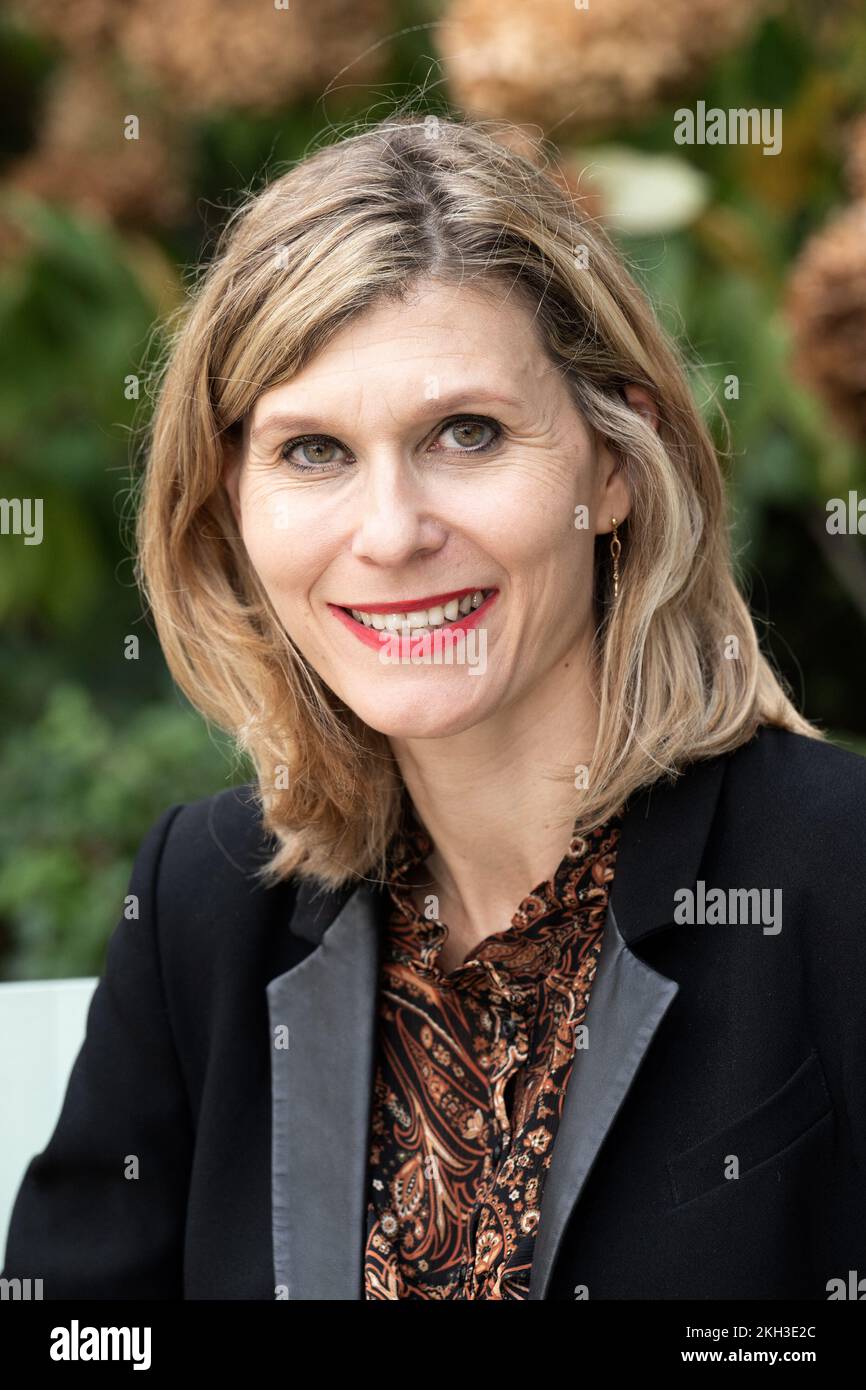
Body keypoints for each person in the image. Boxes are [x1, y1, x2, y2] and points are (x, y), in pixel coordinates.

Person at [3, 113, 865, 1301]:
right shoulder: (207, 903)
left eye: (465, 434)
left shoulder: (839, 873)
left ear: (615, 463)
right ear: (228, 508)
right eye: (312, 451)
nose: (392, 532)